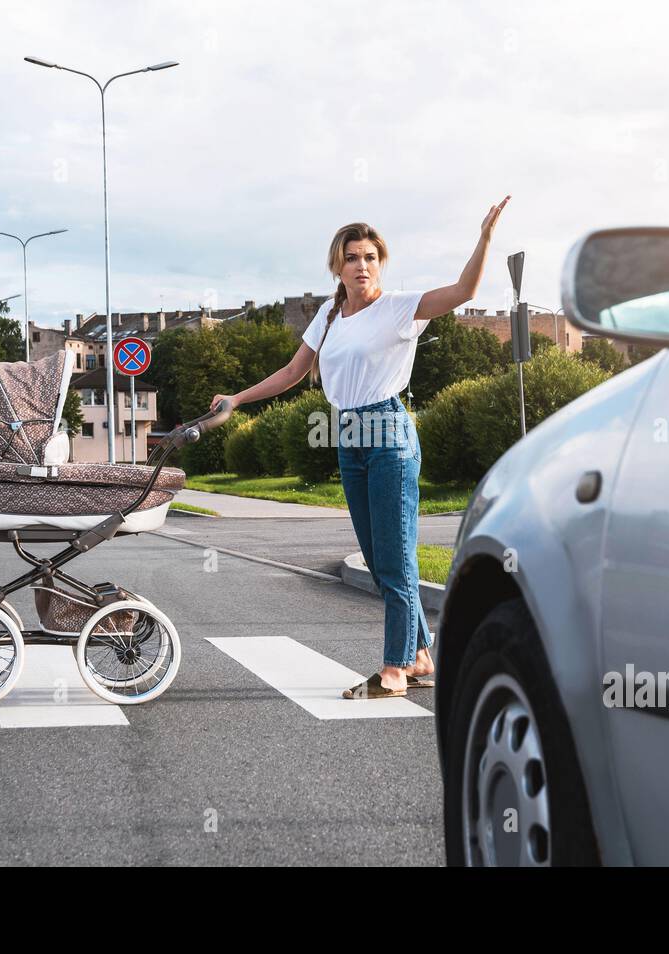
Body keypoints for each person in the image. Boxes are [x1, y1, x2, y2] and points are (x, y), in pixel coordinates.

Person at [211, 196, 510, 698]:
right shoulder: (328, 316)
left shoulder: (400, 309)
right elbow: (292, 372)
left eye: (371, 257)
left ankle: (393, 670)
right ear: (338, 265)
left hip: (388, 431)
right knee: (377, 558)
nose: (362, 265)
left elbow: (463, 290)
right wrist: (237, 399)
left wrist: (483, 240)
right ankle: (418, 656)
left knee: (395, 557)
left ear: (380, 264)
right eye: (353, 257)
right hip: (348, 435)